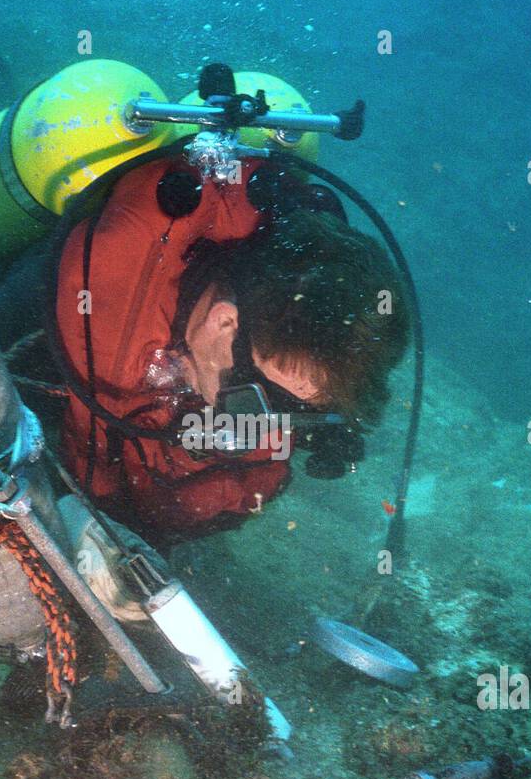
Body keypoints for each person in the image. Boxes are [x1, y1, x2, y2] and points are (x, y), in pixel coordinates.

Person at [54, 152, 410, 546]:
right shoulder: (105, 289)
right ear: (223, 323)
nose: (261, 433)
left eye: (301, 415)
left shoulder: (284, 359)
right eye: (257, 405)